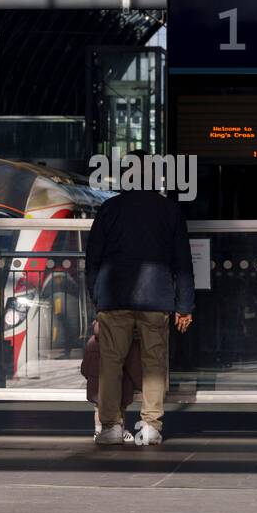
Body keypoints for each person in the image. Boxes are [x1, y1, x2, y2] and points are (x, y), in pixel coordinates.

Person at [85, 185, 194, 446]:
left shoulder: (110, 208)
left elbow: (93, 259)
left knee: (111, 363)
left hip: (114, 297)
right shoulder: (169, 209)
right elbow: (182, 261)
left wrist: (97, 298)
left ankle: (110, 427)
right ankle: (151, 426)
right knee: (154, 363)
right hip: (156, 298)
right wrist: (184, 305)